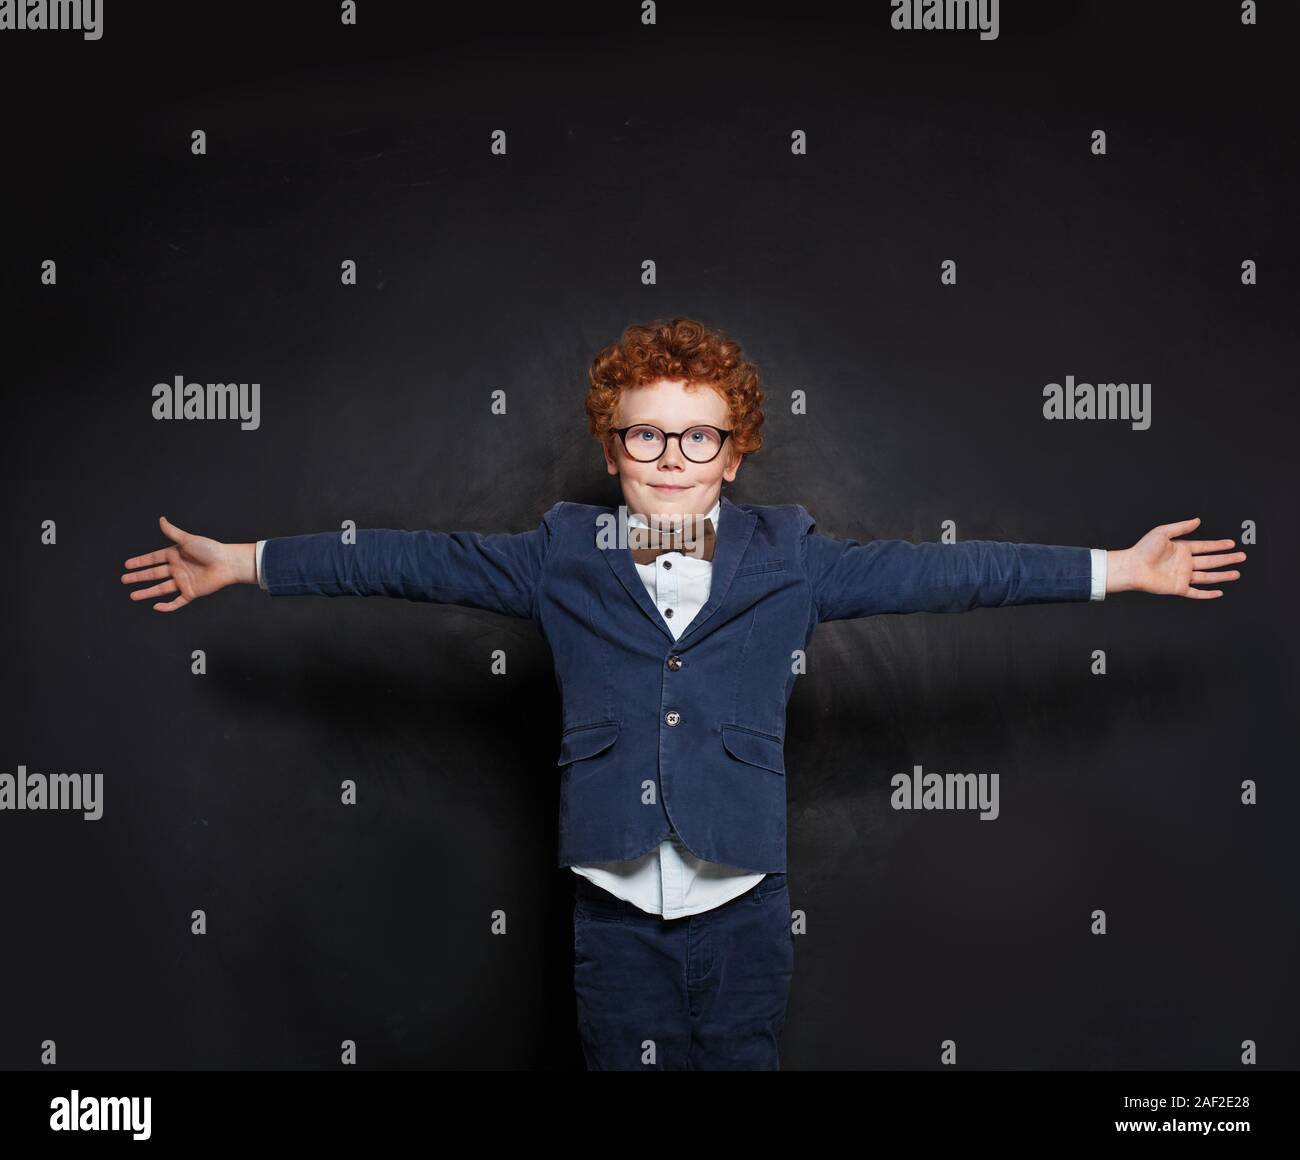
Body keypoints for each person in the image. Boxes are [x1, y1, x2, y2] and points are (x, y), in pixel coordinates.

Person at [120, 316, 1246, 1070]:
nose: (669, 451)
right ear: (613, 447)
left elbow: (952, 573)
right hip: (612, 907)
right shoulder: (561, 553)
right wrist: (246, 558)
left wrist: (1119, 569)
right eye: (644, 432)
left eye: (695, 433)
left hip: (745, 902)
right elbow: (400, 557)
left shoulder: (791, 557)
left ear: (734, 449)